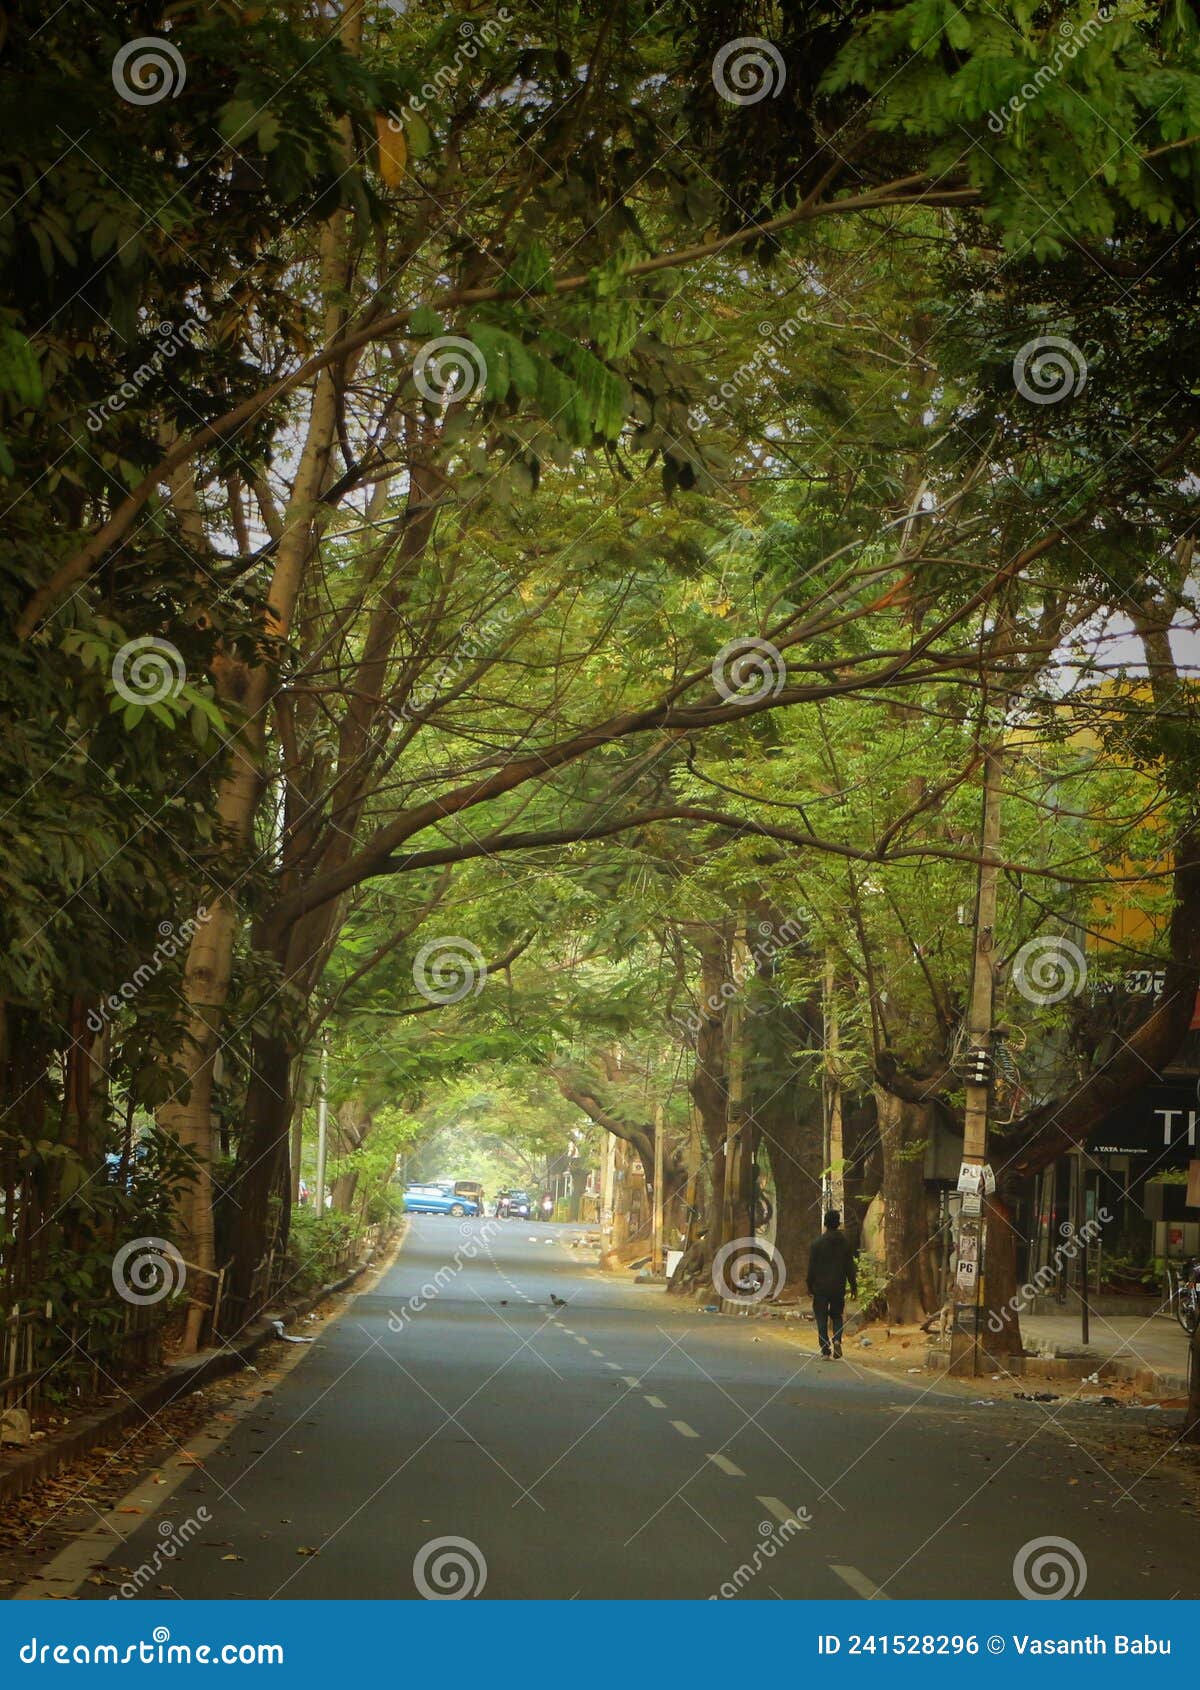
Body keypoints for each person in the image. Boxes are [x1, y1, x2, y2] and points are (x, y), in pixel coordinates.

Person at [807, 1209, 858, 1359]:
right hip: (838, 1286)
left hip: (820, 1287)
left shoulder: (816, 1244)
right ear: (838, 1224)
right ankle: (836, 1339)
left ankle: (825, 1348)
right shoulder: (846, 1244)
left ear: (825, 1223)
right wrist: (853, 1285)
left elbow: (812, 1268)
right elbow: (850, 1267)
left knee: (821, 1317)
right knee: (836, 1315)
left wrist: (809, 1285)